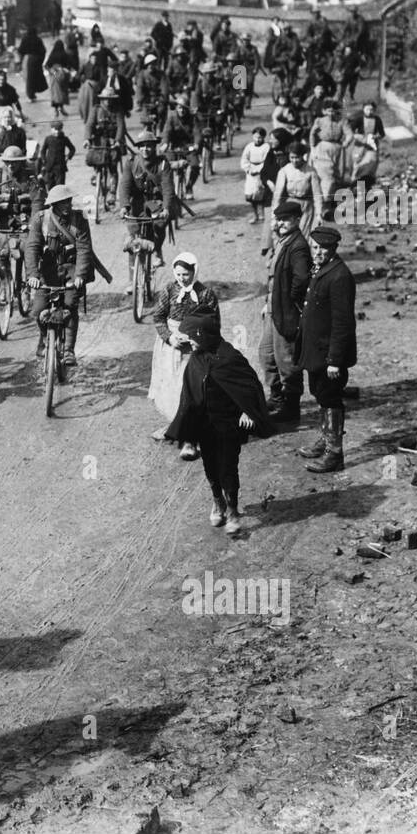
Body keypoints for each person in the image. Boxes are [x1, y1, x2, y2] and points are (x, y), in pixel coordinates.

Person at [163, 315, 272, 535]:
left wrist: (247, 410)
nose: (190, 343)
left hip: (227, 425)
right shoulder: (196, 359)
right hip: (205, 425)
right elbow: (189, 394)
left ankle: (232, 509)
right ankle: (217, 500)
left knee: (228, 467)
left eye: (192, 337)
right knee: (211, 466)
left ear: (203, 335)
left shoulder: (230, 357)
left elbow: (249, 384)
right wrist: (187, 430)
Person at [295, 226, 357, 474]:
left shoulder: (340, 276)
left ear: (333, 249)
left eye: (323, 248)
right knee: (320, 395)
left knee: (330, 398)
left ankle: (335, 453)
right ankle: (325, 439)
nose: (318, 252)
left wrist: (335, 360)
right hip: (317, 351)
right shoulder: (321, 269)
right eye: (315, 247)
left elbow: (343, 323)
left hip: (329, 355)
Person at [149, 253, 221, 459]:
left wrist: (200, 340)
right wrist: (169, 337)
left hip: (194, 349)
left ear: (194, 272)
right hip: (171, 348)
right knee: (171, 387)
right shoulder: (169, 290)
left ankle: (191, 440)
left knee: (191, 389)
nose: (182, 278)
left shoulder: (206, 294)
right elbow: (158, 317)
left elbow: (213, 323)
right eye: (178, 274)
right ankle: (175, 424)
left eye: (186, 274)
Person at [26, 184, 93, 367]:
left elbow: (84, 248)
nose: (67, 205)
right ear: (53, 204)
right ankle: (43, 338)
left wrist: (80, 275)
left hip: (72, 269)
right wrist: (33, 275)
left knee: (70, 305)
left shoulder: (79, 218)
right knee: (39, 309)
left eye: (68, 201)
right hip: (48, 271)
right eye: (62, 202)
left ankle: (69, 349)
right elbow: (31, 248)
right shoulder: (41, 219)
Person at [259, 200, 312, 422]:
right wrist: (269, 301)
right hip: (273, 309)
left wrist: (290, 303)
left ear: (297, 220)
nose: (281, 223)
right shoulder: (283, 241)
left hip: (285, 312)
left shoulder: (298, 246)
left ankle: (291, 408)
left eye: (286, 220)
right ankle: (276, 398)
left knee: (287, 361)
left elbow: (301, 280)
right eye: (278, 219)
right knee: (267, 355)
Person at [117, 129, 177, 284]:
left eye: (149, 145)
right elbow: (124, 186)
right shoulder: (131, 162)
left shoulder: (163, 163)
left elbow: (168, 187)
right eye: (142, 146)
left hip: (156, 202)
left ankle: (157, 249)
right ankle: (132, 282)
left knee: (159, 227)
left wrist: (166, 208)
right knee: (133, 240)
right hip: (138, 203)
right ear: (138, 148)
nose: (145, 149)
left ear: (155, 146)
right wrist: (124, 206)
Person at [309, 98, 354, 222]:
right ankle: (323, 205)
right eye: (328, 111)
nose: (331, 114)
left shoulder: (342, 122)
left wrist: (345, 143)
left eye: (333, 111)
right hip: (322, 149)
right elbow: (312, 134)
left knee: (336, 176)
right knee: (325, 176)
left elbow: (349, 134)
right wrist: (312, 147)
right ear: (324, 111)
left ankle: (332, 204)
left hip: (337, 150)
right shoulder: (319, 121)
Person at [85, 85, 125, 212]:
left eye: (110, 99)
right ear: (102, 99)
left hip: (113, 142)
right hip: (99, 142)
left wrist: (118, 140)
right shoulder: (96, 110)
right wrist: (87, 139)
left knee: (113, 167)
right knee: (96, 162)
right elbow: (89, 125)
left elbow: (120, 127)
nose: (108, 101)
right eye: (105, 99)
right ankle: (96, 177)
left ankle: (112, 192)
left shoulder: (118, 111)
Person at [269, 139, 316, 244]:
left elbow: (317, 194)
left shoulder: (311, 171)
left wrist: (319, 213)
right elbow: (278, 195)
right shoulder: (285, 170)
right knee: (288, 232)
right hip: (290, 205)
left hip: (306, 206)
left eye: (297, 157)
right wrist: (274, 214)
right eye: (292, 157)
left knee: (304, 234)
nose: (295, 160)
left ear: (302, 156)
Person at [347, 100, 386, 186]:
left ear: (374, 110)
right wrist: (357, 136)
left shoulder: (377, 119)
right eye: (367, 109)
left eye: (371, 109)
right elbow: (350, 129)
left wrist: (375, 137)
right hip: (360, 145)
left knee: (371, 162)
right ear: (363, 109)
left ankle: (367, 182)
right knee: (357, 163)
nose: (369, 111)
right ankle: (354, 182)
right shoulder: (359, 119)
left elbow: (382, 133)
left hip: (372, 145)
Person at [240, 126, 272, 224]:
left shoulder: (266, 147)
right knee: (250, 196)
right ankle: (255, 215)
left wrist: (258, 170)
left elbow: (267, 161)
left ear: (264, 137)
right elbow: (244, 159)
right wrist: (248, 169)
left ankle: (262, 214)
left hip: (261, 173)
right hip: (250, 173)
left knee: (260, 194)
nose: (257, 140)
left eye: (260, 137)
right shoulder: (249, 146)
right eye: (255, 137)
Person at [37, 119, 76, 191]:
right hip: (49, 167)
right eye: (55, 129)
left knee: (60, 188)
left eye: (59, 129)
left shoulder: (64, 139)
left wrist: (68, 157)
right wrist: (44, 161)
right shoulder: (48, 139)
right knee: (50, 186)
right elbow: (43, 151)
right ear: (51, 129)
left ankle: (60, 202)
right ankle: (52, 202)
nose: (57, 131)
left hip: (60, 167)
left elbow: (72, 149)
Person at [18, 26, 48, 101]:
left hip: (27, 59)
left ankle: (30, 94)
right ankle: (32, 93)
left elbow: (20, 50)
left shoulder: (25, 39)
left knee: (28, 78)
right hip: (36, 60)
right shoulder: (38, 39)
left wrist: (21, 60)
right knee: (34, 77)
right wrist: (41, 60)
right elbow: (43, 51)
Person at [44, 37, 72, 117]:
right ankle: (62, 108)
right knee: (62, 93)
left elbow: (46, 65)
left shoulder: (52, 55)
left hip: (54, 77)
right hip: (63, 77)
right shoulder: (65, 54)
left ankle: (56, 110)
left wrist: (52, 71)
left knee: (55, 94)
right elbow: (69, 66)